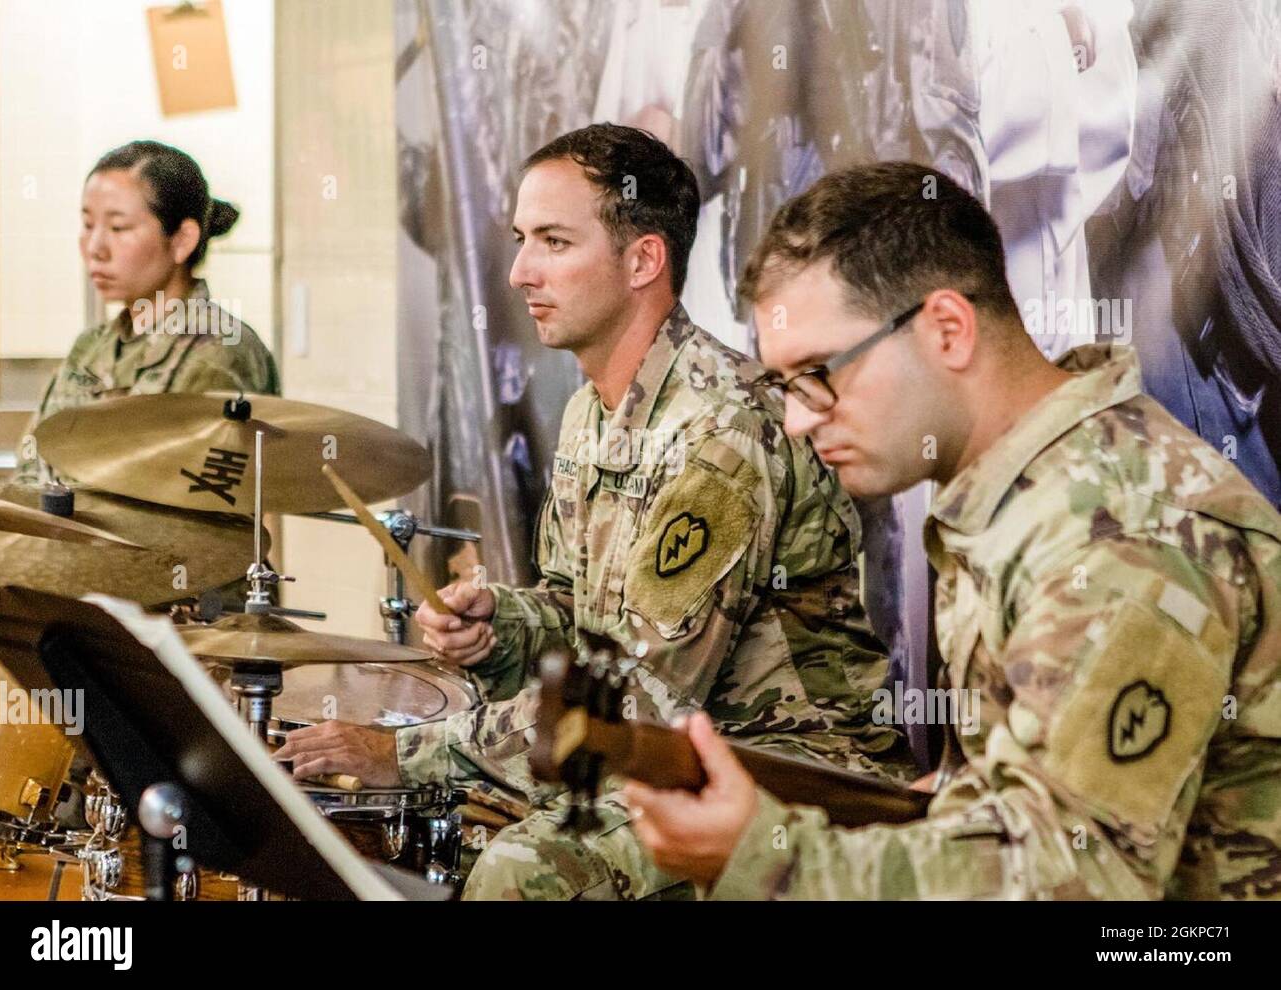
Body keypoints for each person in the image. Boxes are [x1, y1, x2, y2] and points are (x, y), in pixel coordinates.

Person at [275, 123, 911, 900]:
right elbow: (578, 613)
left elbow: (635, 692)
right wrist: (499, 622)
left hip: (782, 772)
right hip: (665, 751)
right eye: (521, 240)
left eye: (552, 242)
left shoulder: (721, 429)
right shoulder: (591, 413)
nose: (518, 273)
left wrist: (405, 751)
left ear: (643, 258)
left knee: (520, 874)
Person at [624, 161, 1281, 900]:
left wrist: (770, 862)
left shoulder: (1119, 533)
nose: (799, 419)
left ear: (946, 328)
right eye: (783, 385)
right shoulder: (1020, 494)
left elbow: (1073, 882)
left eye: (818, 372)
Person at [15, 139, 279, 483]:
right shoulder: (90, 347)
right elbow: (31, 470)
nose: (95, 248)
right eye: (88, 225)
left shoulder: (221, 351)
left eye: (118, 227)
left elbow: (199, 500)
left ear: (182, 240)